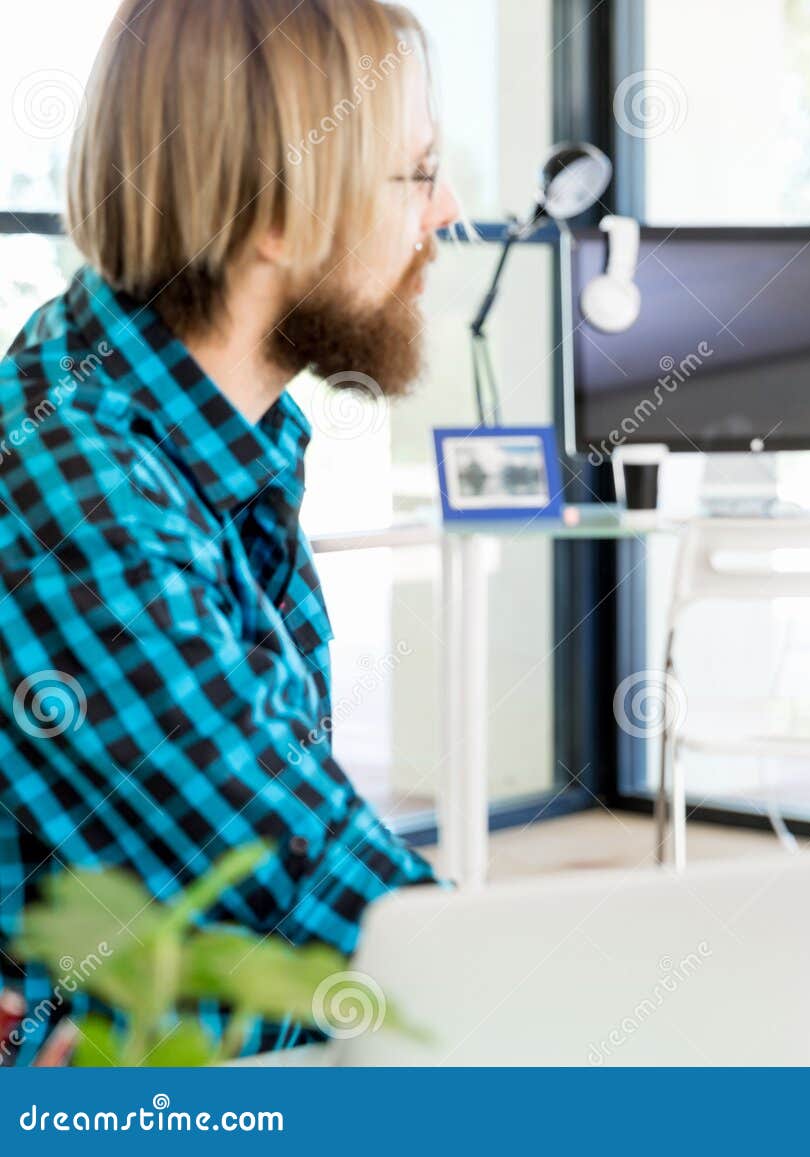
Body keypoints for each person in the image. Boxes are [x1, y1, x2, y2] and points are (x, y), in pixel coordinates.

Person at [0, 0, 461, 1063]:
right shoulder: (73, 486)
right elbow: (294, 875)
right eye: (417, 174)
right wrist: (545, 982)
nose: (445, 212)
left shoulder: (200, 426)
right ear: (278, 214)